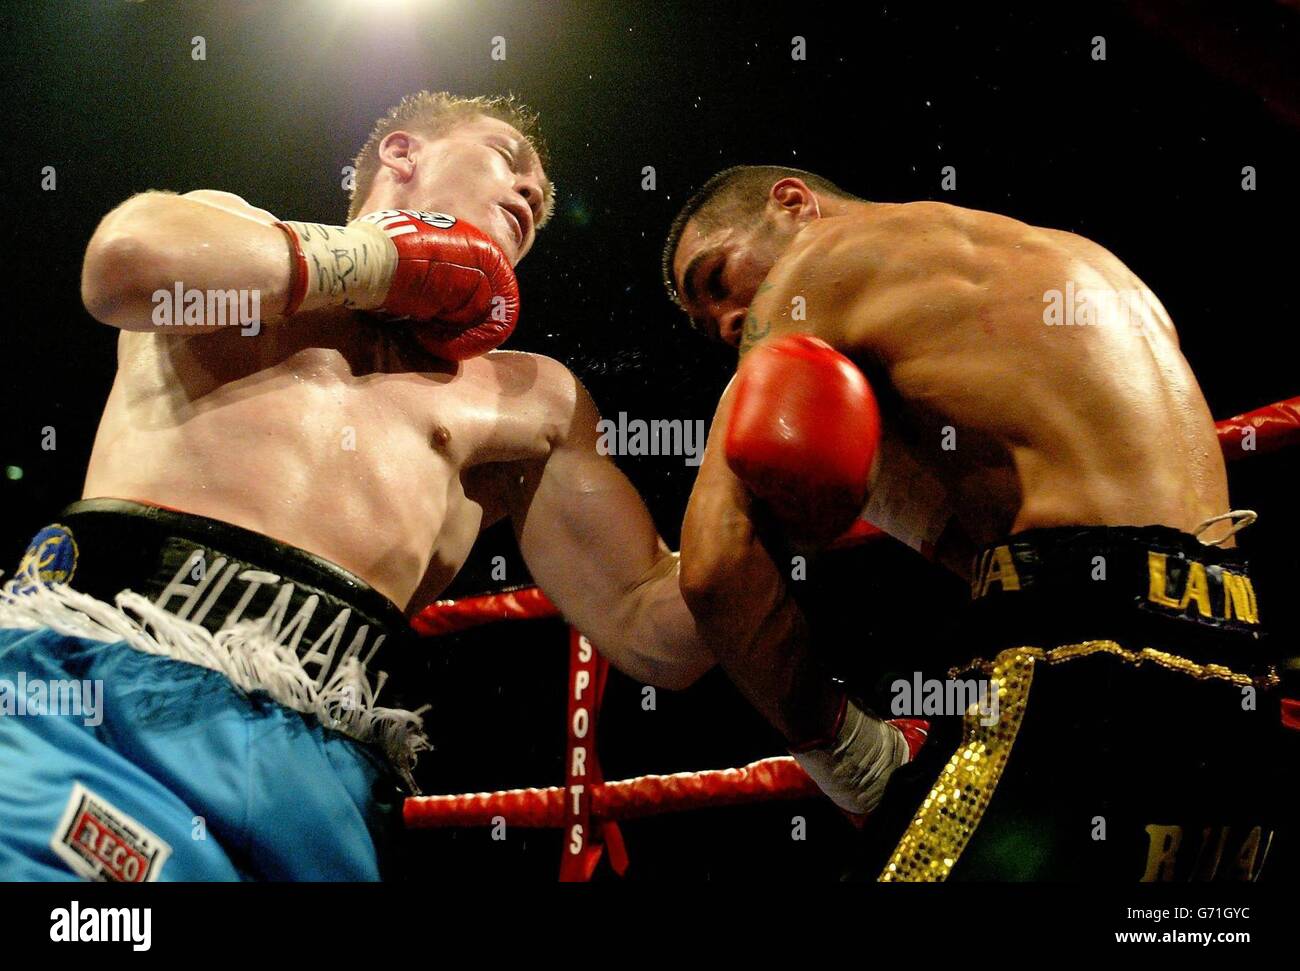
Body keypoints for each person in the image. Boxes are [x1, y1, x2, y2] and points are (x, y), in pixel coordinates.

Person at [0, 92, 712, 882]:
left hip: (322, 779)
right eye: (508, 161)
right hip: (102, 691)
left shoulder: (527, 399)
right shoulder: (225, 232)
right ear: (401, 155)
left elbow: (656, 630)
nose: (530, 197)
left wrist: (764, 478)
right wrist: (381, 263)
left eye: (540, 203)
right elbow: (124, 269)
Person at [665, 165, 1283, 881]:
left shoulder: (802, 276)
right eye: (703, 324)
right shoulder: (1065, 262)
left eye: (715, 281)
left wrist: (850, 757)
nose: (726, 321)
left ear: (793, 203)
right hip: (1237, 656)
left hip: (1077, 662)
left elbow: (711, 568)